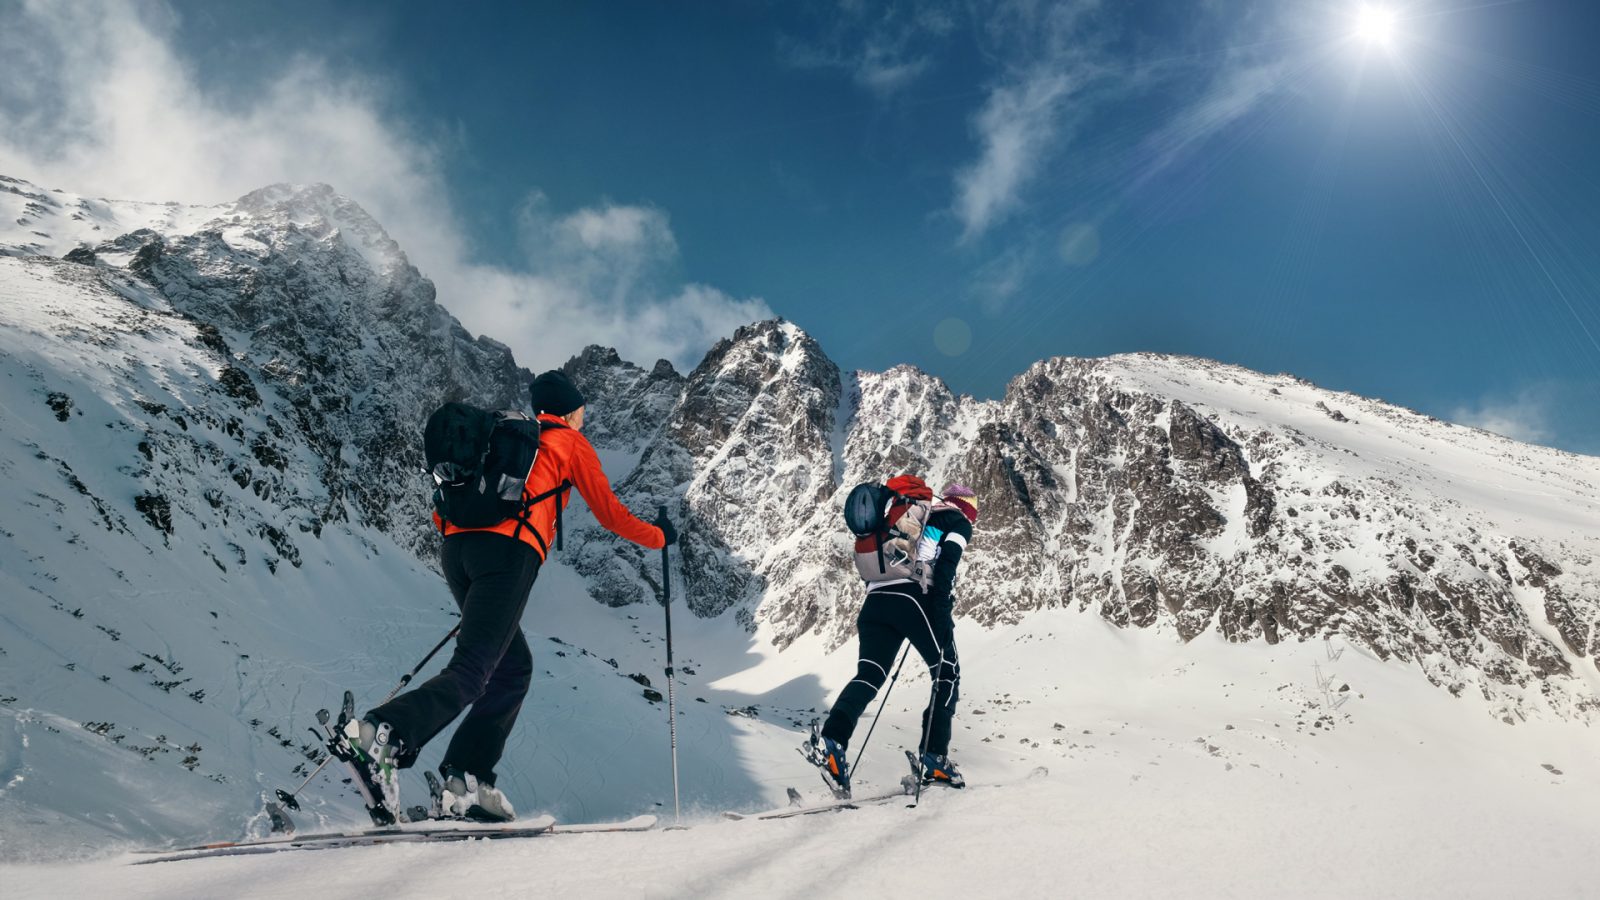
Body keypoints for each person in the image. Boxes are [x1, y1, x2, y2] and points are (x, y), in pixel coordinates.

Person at [349, 369, 674, 821]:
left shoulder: (503, 438)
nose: (584, 417)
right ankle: (383, 733)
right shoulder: (567, 442)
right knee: (473, 670)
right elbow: (611, 514)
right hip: (507, 555)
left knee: (511, 668)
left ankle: (466, 779)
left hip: (457, 552)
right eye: (582, 410)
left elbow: (446, 507)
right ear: (571, 409)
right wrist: (660, 537)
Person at [807, 479, 978, 795]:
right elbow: (945, 568)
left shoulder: (909, 518)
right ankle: (934, 759)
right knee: (947, 673)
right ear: (967, 506)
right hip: (913, 600)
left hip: (874, 603)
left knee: (870, 675)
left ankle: (832, 742)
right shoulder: (957, 520)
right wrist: (941, 615)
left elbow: (908, 556)